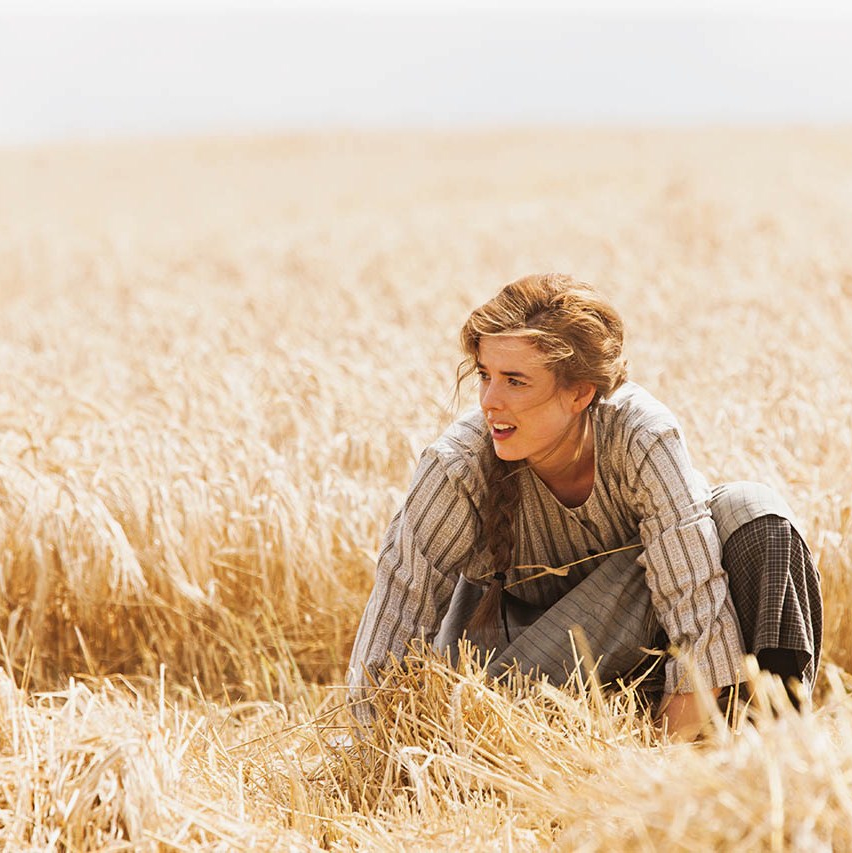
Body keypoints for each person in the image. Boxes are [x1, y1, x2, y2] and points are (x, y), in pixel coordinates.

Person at [347, 273, 822, 740]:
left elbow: (696, 609)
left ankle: (772, 749)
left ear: (579, 393)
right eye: (485, 376)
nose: (490, 402)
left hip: (647, 655)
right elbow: (398, 607)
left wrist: (663, 774)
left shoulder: (640, 435)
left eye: (515, 381)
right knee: (693, 546)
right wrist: (370, 751)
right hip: (518, 674)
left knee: (752, 512)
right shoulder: (457, 463)